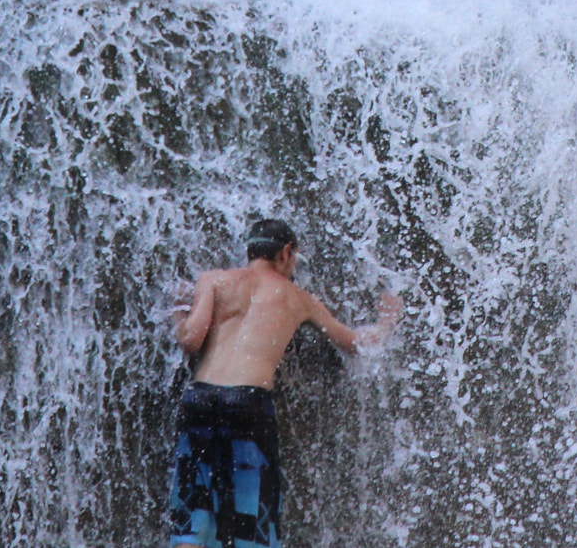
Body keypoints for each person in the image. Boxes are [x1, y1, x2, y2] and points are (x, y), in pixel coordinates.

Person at [167, 219, 402, 548]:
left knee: (191, 522)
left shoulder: (213, 280)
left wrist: (177, 309)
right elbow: (355, 343)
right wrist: (388, 320)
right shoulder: (299, 299)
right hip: (248, 405)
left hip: (200, 398)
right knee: (252, 527)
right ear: (285, 253)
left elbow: (190, 340)